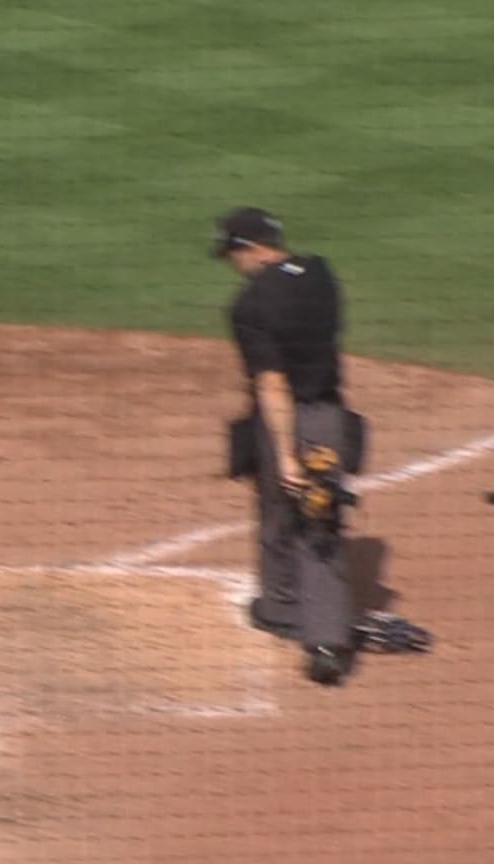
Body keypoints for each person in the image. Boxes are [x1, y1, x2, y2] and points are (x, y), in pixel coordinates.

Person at [215, 207, 365, 686]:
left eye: (232, 254)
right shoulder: (321, 273)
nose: (231, 264)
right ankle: (301, 622)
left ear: (249, 248)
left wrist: (283, 454)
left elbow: (273, 384)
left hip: (288, 421)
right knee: (306, 517)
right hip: (331, 416)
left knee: (294, 516)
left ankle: (301, 622)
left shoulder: (250, 307)